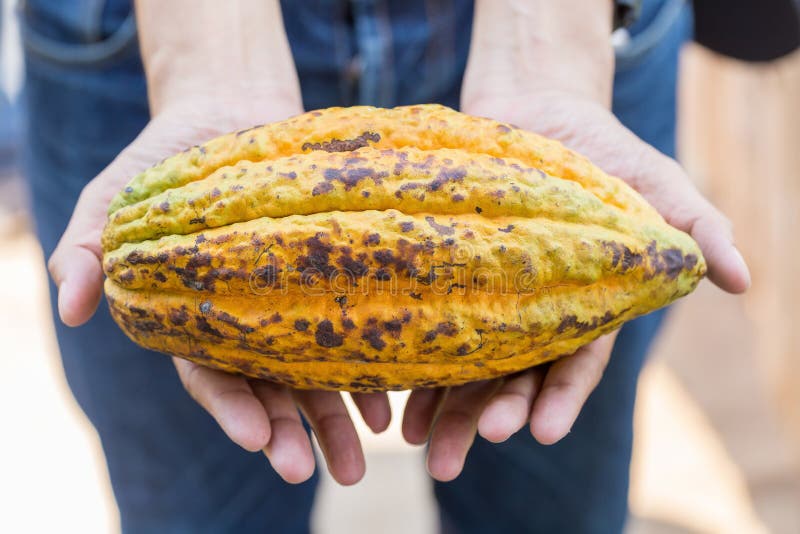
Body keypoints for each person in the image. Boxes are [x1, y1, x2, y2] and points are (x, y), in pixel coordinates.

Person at [23, 0, 751, 532]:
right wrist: (212, 53)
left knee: (552, 510)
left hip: (569, 25)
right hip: (147, 29)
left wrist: (548, 45)